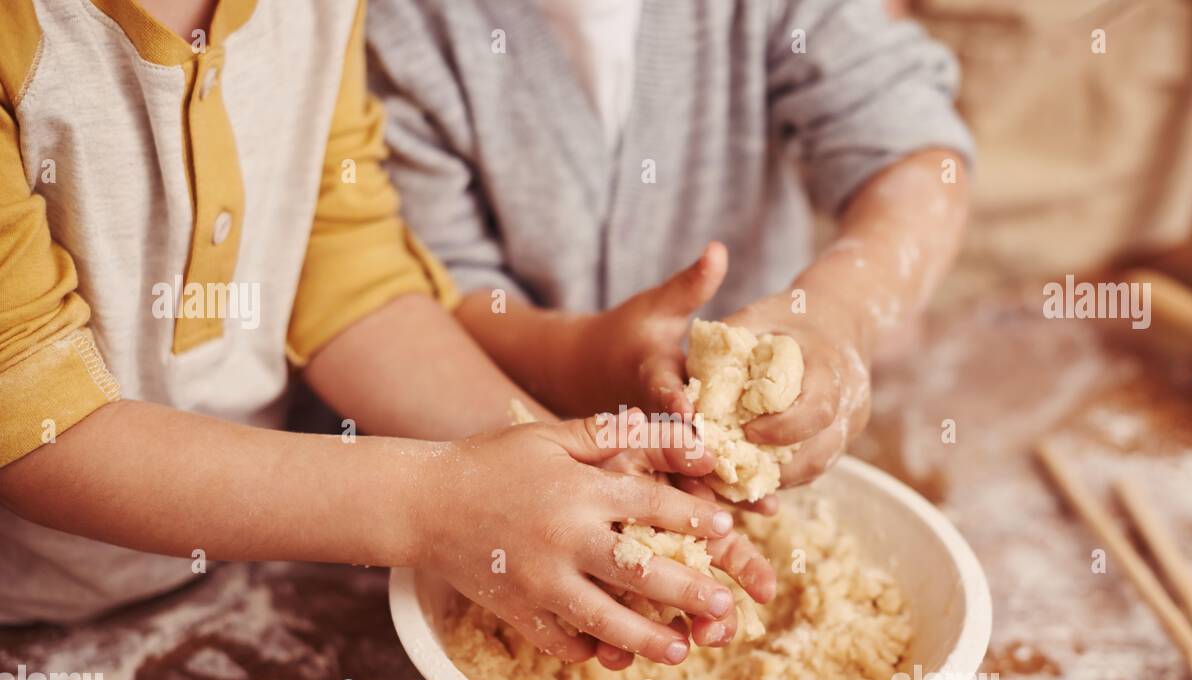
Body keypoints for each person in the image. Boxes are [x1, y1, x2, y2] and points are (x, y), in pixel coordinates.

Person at [0, 0, 773, 669]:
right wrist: (435, 505)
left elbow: (344, 278)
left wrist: (578, 485)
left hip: (229, 571)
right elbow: (35, 416)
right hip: (25, 614)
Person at [366, 0, 973, 492]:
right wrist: (577, 360)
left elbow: (914, 154)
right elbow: (426, 292)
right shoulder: (401, 29)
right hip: (500, 452)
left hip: (765, 461)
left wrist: (845, 310)